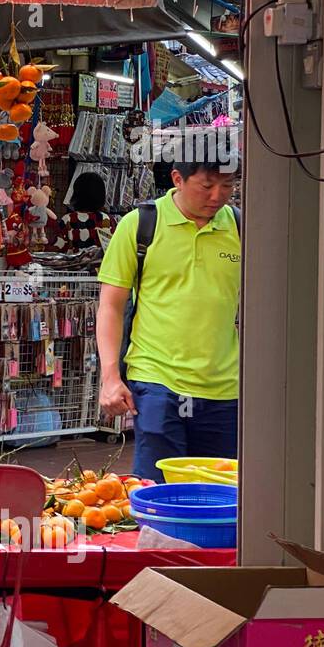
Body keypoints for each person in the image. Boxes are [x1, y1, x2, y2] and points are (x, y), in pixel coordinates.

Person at [96, 158, 241, 481]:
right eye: (207, 185)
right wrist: (110, 377)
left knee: (219, 498)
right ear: (178, 178)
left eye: (228, 186)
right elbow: (110, 305)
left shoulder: (242, 228)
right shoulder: (141, 224)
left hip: (225, 388)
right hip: (157, 381)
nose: (218, 195)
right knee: (158, 490)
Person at [54, 171, 114, 253]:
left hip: (73, 265)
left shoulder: (68, 219)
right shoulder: (107, 220)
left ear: (76, 194)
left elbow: (59, 248)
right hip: (101, 265)